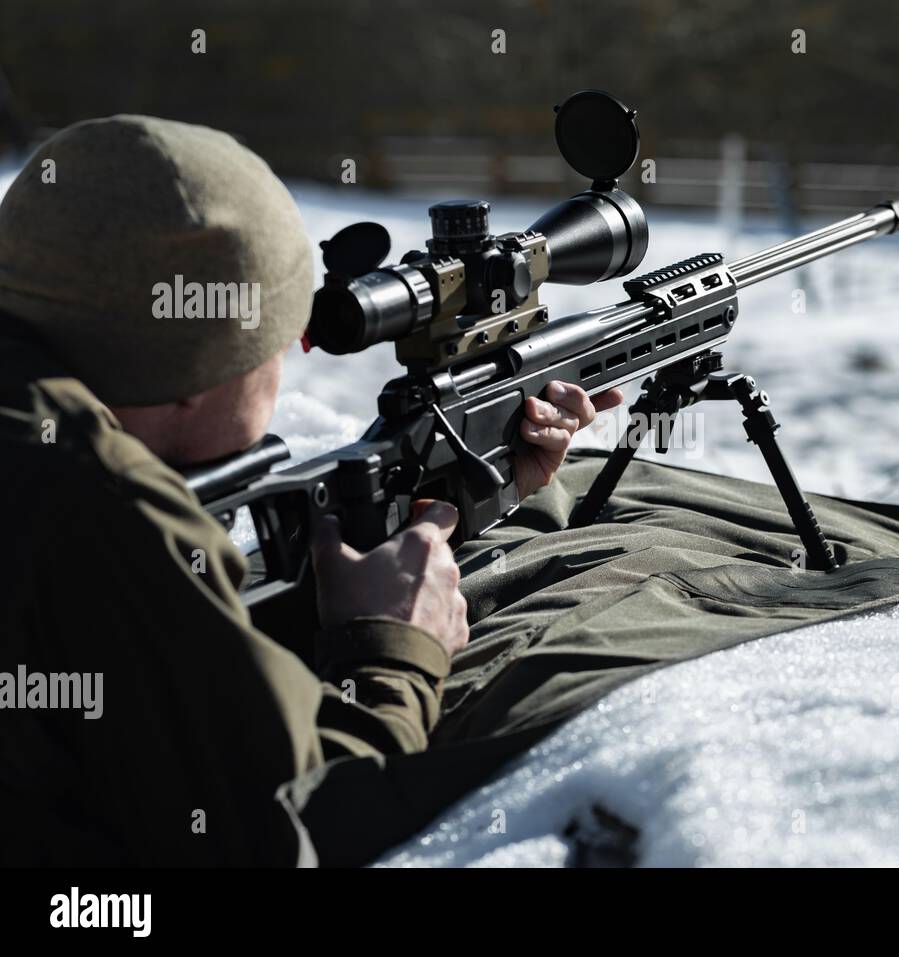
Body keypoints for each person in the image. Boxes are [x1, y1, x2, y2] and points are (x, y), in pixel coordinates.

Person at [0, 114, 618, 865]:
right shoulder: (106, 506)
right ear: (200, 371)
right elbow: (292, 827)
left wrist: (484, 483)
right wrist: (393, 648)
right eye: (282, 339)